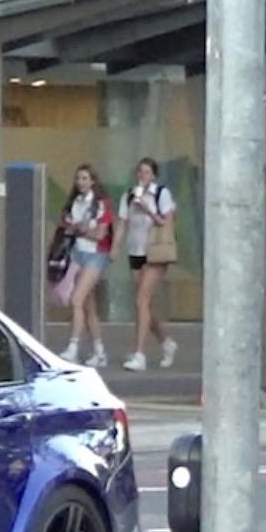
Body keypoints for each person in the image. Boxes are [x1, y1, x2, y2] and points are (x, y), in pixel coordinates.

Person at [117, 157, 178, 371]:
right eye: (139, 172)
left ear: (153, 175)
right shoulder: (129, 195)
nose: (142, 176)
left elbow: (166, 222)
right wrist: (115, 246)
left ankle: (139, 354)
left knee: (141, 301)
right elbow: (122, 223)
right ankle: (166, 343)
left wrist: (148, 209)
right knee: (144, 305)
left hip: (155, 251)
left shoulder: (161, 194)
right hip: (136, 251)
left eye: (146, 172)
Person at [58, 164, 113, 368]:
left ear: (93, 181)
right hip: (78, 253)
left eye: (84, 178)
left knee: (77, 299)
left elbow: (100, 234)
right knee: (89, 306)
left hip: (95, 255)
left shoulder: (101, 204)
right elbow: (66, 224)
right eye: (78, 178)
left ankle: (73, 347)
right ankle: (99, 351)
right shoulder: (75, 202)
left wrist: (80, 230)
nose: (80, 182)